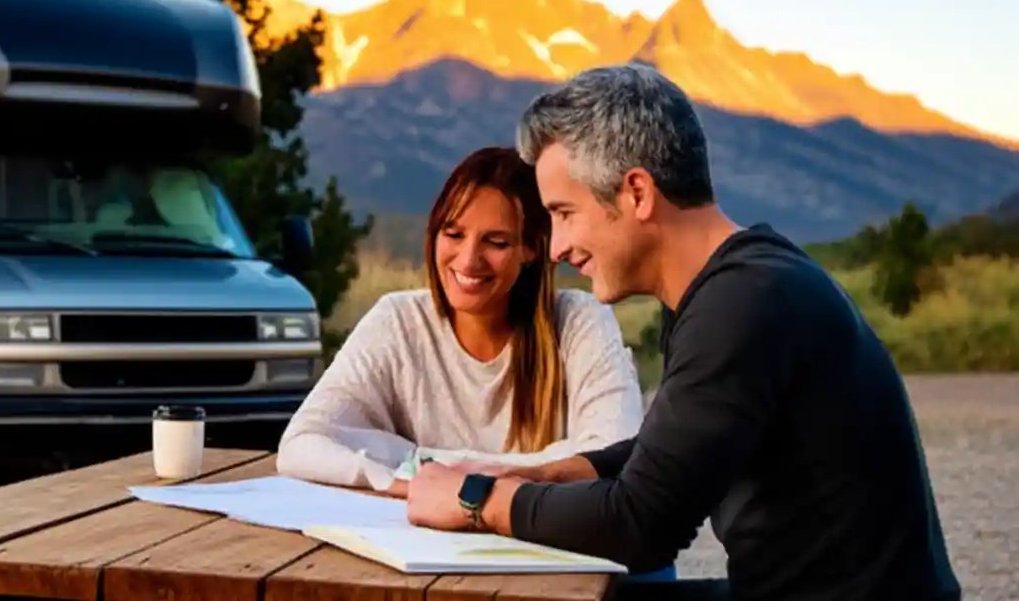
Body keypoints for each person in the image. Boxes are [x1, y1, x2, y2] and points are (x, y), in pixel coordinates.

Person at [404, 65, 961, 601]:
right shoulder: (744, 281)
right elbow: (671, 449)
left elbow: (641, 525)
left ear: (637, 193)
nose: (555, 249)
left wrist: (477, 499)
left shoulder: (742, 305)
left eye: (565, 213)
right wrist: (541, 472)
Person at [276, 146, 646, 499]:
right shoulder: (398, 321)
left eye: (496, 243)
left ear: (531, 248)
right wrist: (401, 483)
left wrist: (428, 465)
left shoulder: (578, 321)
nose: (469, 261)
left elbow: (615, 452)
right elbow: (301, 444)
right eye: (453, 235)